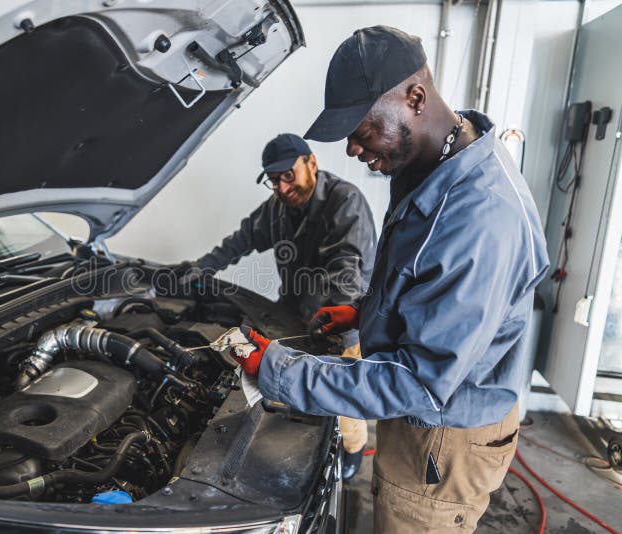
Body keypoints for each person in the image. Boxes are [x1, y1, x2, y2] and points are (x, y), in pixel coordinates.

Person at [232, 26, 548, 533]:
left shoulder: (477, 217)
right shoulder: (432, 164)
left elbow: (421, 384)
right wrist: (366, 311)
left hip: (442, 440)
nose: (354, 151)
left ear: (414, 98)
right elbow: (427, 285)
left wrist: (280, 370)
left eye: (361, 131)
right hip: (426, 418)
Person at [178, 133, 377, 478]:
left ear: (311, 163)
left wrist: (336, 323)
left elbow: (347, 269)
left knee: (343, 404)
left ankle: (351, 455)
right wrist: (202, 266)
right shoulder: (277, 209)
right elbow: (239, 241)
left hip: (341, 322)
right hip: (295, 313)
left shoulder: (344, 201)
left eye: (288, 176)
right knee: (290, 392)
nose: (283, 188)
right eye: (274, 180)